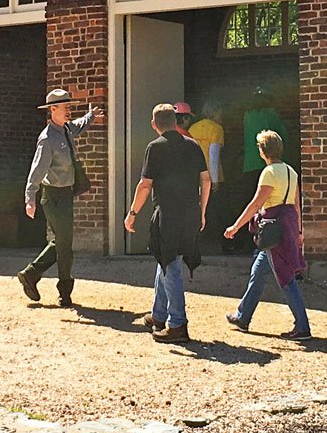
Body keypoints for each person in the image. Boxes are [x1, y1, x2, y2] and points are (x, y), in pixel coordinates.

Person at [125, 104, 210, 343]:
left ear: (154, 125)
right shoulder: (192, 145)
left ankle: (178, 324)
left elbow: (145, 185)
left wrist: (132, 213)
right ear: (176, 121)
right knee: (166, 258)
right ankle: (158, 314)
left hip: (169, 214)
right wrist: (202, 210)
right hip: (190, 211)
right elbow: (205, 180)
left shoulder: (155, 147)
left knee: (171, 265)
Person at [17, 88, 103, 306]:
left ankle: (33, 275)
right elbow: (36, 170)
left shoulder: (65, 129)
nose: (68, 112)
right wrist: (30, 197)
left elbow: (79, 126)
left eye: (69, 108)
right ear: (53, 110)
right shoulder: (47, 139)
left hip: (65, 195)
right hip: (53, 196)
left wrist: (91, 116)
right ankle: (59, 289)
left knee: (61, 242)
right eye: (65, 108)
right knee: (64, 245)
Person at [223, 130, 311, 340]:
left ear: (263, 151)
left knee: (286, 278)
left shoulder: (269, 172)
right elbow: (296, 205)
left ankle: (302, 327)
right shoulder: (291, 171)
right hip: (287, 225)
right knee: (258, 272)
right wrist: (299, 231)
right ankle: (243, 316)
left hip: (272, 229)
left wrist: (235, 226)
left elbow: (256, 203)